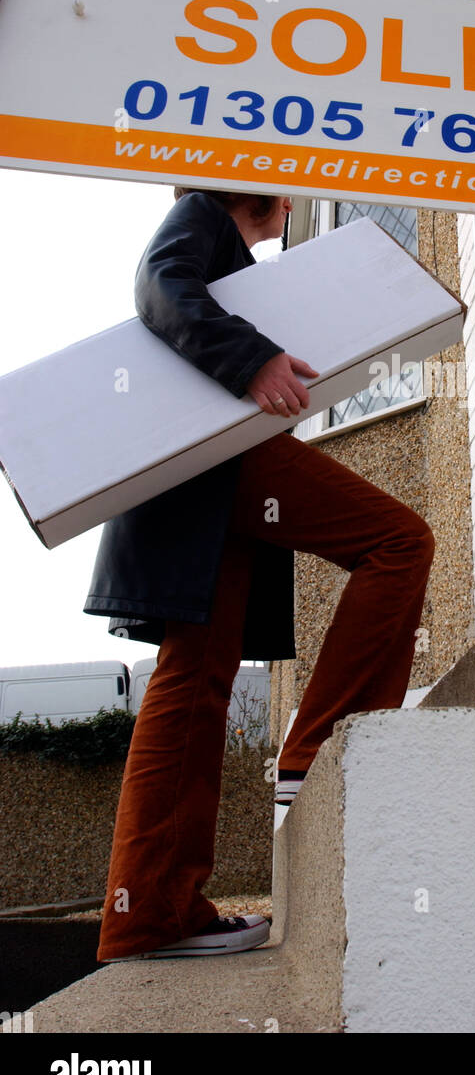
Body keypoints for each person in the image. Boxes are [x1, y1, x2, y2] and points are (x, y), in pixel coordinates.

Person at [85, 187, 435, 962]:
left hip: (207, 486)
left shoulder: (245, 262)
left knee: (196, 673)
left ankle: (149, 915)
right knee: (398, 541)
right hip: (214, 462)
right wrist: (253, 362)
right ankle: (315, 750)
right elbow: (157, 283)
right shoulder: (204, 212)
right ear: (267, 188)